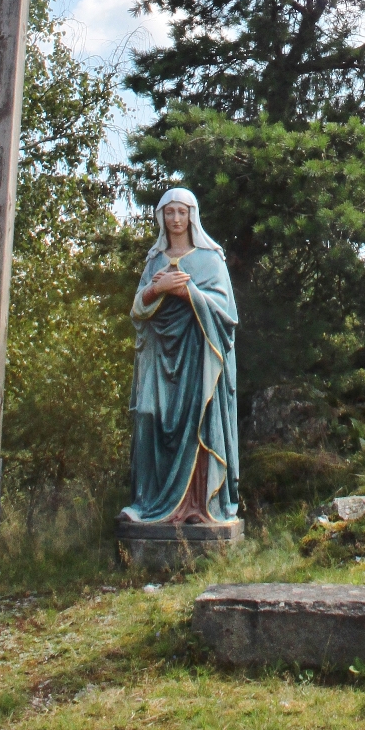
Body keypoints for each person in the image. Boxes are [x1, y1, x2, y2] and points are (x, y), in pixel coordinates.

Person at [119, 187, 240, 527]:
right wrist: (157, 289)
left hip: (198, 356)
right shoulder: (155, 260)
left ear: (191, 217)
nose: (175, 219)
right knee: (149, 419)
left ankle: (198, 508)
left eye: (181, 212)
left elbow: (225, 313)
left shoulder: (210, 258)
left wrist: (185, 290)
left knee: (195, 419)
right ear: (161, 218)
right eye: (169, 213)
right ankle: (151, 504)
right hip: (160, 359)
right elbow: (138, 309)